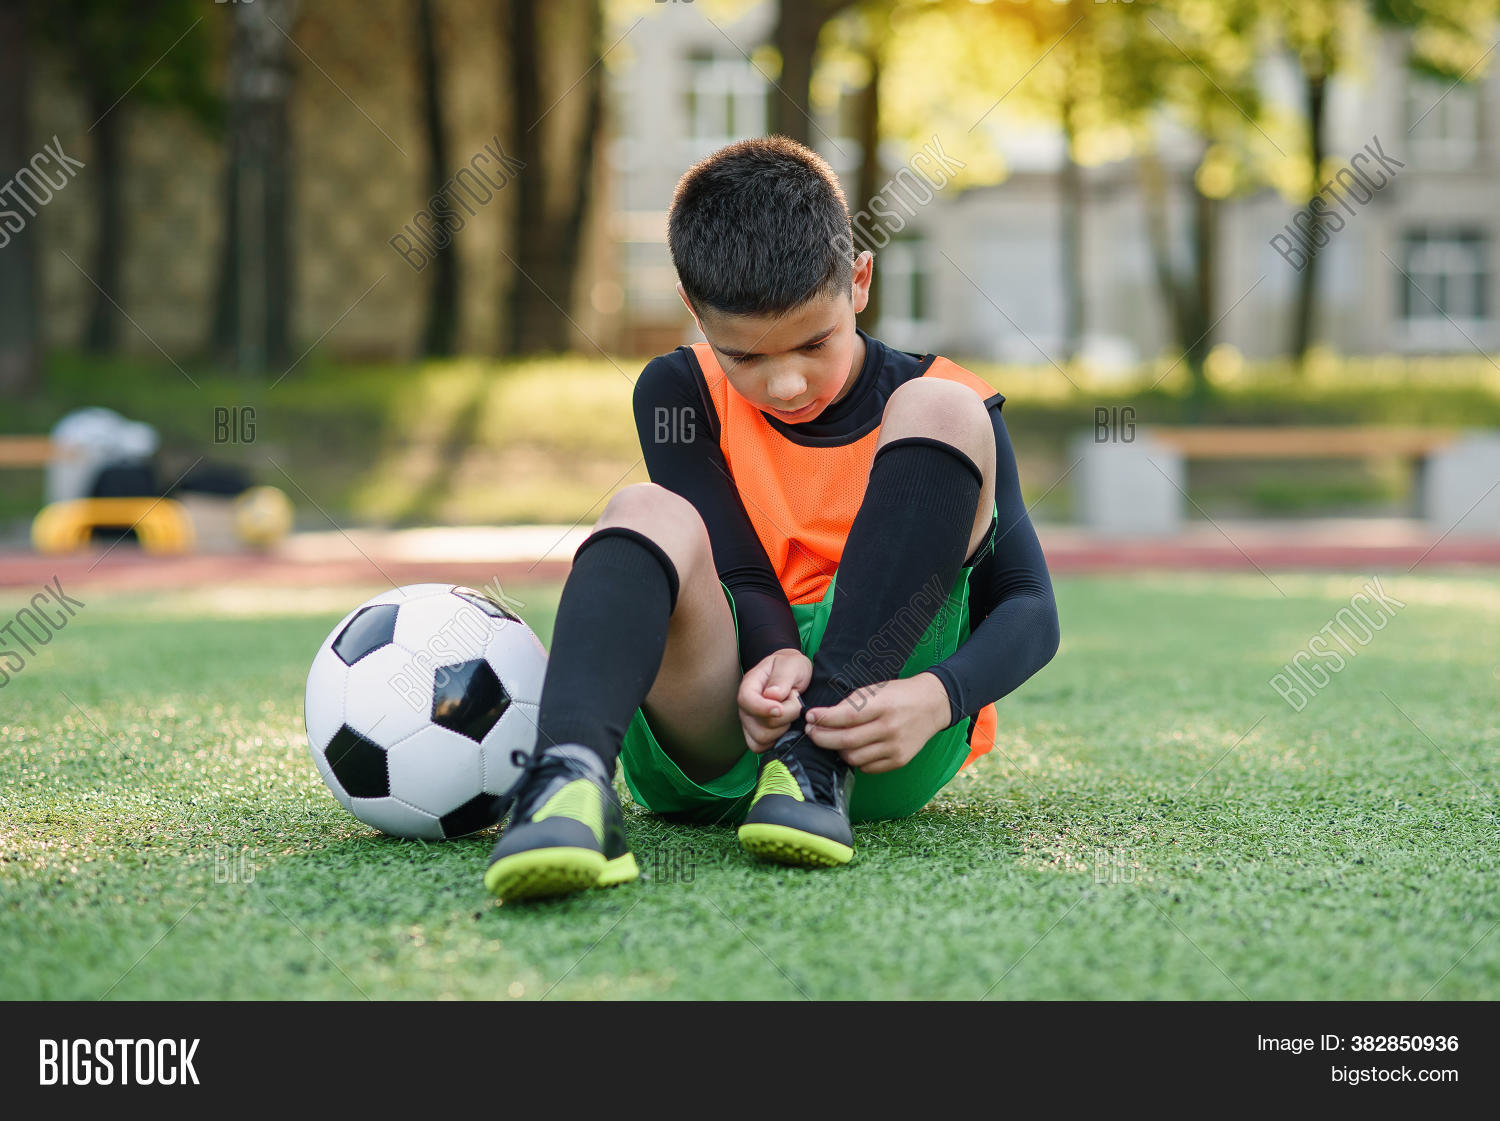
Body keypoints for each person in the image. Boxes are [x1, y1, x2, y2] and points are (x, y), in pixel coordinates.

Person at [485, 136, 1059, 902]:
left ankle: (809, 766)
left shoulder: (951, 396)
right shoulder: (677, 390)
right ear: (695, 311)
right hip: (720, 721)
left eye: (813, 342)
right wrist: (771, 654)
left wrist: (939, 696)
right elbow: (737, 565)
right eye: (745, 357)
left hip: (868, 731)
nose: (786, 383)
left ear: (859, 280)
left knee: (942, 410)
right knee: (641, 507)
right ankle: (568, 778)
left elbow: (1030, 607)